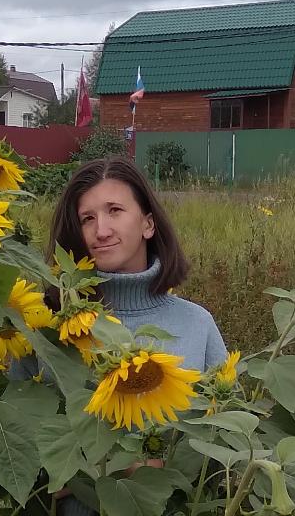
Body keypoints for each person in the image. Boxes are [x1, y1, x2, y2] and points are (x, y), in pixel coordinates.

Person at [45, 158, 228, 373]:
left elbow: (225, 405)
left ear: (148, 225)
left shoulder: (196, 325)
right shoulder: (50, 325)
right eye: (87, 219)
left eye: (114, 210)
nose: (102, 231)